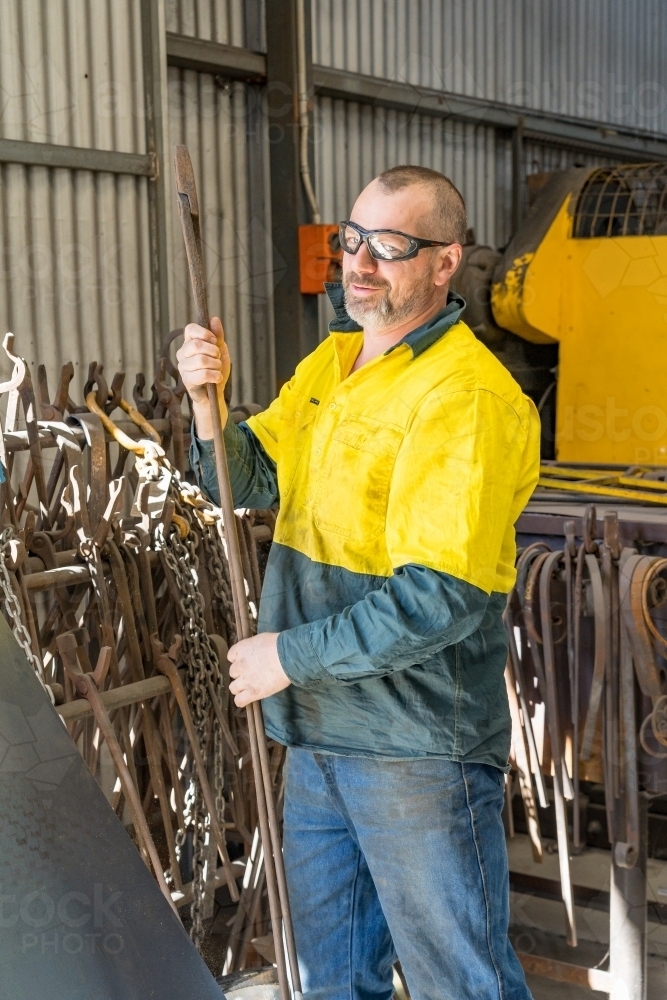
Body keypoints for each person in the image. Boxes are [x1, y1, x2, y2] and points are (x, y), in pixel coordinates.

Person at [177, 165, 539, 1000]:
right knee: (328, 978)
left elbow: (438, 599)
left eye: (391, 246)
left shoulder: (466, 397)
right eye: (352, 240)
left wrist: (287, 657)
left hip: (413, 748)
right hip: (320, 736)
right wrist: (208, 403)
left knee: (460, 982)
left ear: (446, 263)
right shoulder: (335, 361)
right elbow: (246, 481)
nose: (361, 264)